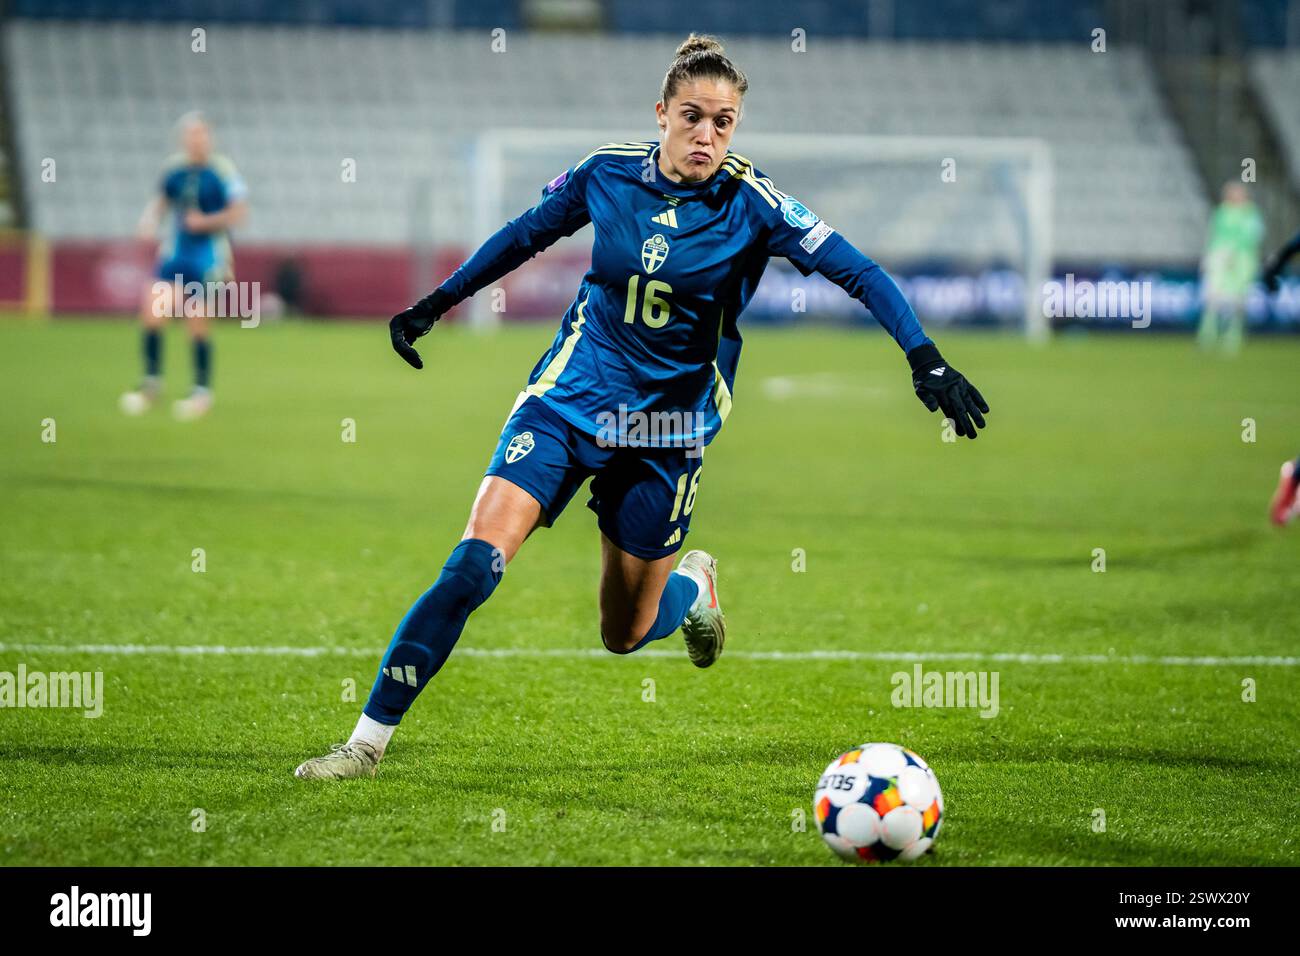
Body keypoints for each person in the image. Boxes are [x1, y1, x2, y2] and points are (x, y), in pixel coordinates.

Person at [294, 35, 988, 781]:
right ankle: (365, 745)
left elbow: (858, 270)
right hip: (567, 400)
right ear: (661, 113)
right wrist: (436, 304)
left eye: (724, 122)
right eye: (693, 116)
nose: (707, 136)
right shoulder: (606, 174)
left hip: (668, 430)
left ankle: (691, 589)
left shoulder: (755, 206)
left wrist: (924, 355)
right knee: (472, 564)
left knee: (622, 635)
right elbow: (523, 236)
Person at [120, 112, 248, 420]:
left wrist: (204, 222)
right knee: (152, 312)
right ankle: (151, 385)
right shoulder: (174, 170)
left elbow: (239, 214)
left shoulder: (222, 171)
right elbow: (162, 201)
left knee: (196, 321)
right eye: (192, 135)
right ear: (184, 139)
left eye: (203, 134)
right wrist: (149, 219)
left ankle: (201, 391)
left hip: (208, 256)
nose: (198, 140)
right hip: (176, 253)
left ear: (209, 139)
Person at [1197, 181, 1264, 354]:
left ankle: (1233, 335)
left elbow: (1253, 237)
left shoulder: (1250, 214)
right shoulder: (1221, 212)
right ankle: (1208, 333)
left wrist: (1237, 253)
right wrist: (1209, 256)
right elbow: (1214, 236)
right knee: (1213, 296)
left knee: (1237, 299)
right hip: (1220, 257)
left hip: (1242, 260)